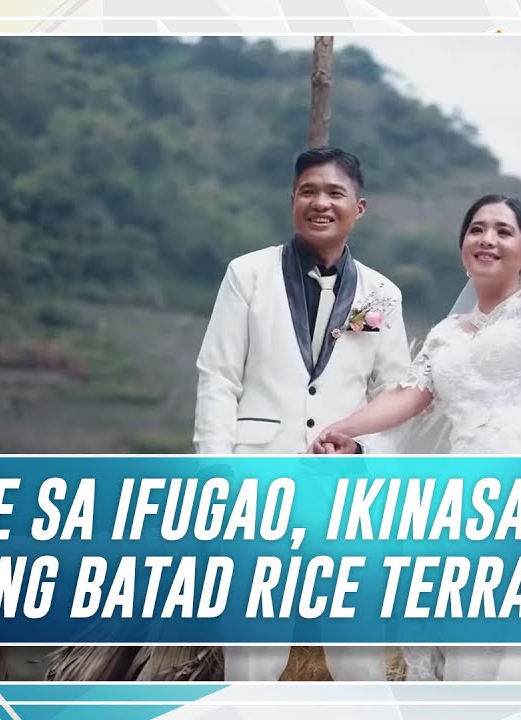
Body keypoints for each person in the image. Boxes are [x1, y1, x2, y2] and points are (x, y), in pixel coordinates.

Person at [308, 173, 521, 683]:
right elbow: (408, 397)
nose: (487, 239)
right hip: (468, 495)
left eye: (503, 232)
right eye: (476, 229)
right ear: (463, 246)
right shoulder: (443, 335)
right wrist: (343, 428)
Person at [193, 145, 411, 681]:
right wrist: (217, 477)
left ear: (359, 207)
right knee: (251, 653)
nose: (321, 202)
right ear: (291, 200)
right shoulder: (247, 274)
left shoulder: (382, 294)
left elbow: (396, 397)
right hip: (256, 482)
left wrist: (361, 449)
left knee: (359, 652)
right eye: (308, 191)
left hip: (343, 493)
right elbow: (218, 377)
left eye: (335, 193)